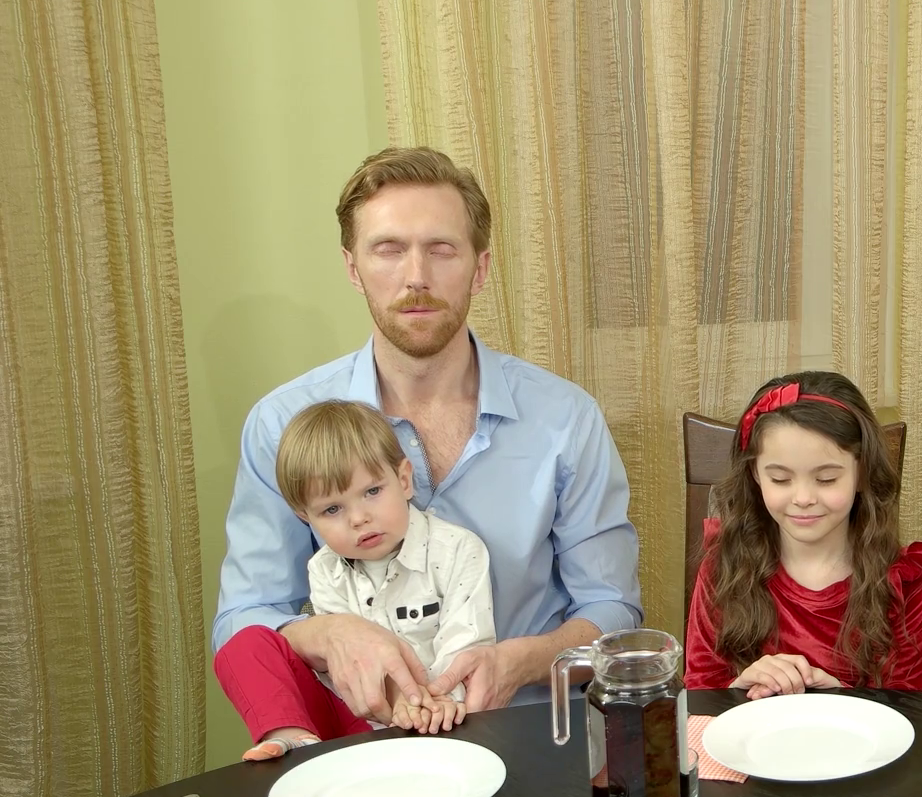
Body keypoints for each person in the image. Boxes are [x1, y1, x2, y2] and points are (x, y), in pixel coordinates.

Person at [213, 147, 642, 725]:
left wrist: (523, 661)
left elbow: (612, 609)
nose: (416, 277)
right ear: (352, 267)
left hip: (534, 737)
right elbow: (246, 618)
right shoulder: (280, 423)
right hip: (365, 745)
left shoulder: (566, 418)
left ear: (480, 268)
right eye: (388, 250)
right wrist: (330, 634)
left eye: (442, 250)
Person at [215, 400, 489, 759]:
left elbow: (466, 642)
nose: (359, 518)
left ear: (403, 480)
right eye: (332, 509)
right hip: (360, 716)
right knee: (243, 644)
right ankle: (296, 741)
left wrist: (431, 703)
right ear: (305, 518)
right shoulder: (324, 568)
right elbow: (345, 664)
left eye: (372, 492)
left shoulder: (456, 550)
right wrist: (395, 703)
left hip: (443, 716)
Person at [684, 372, 922, 695]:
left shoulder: (902, 586)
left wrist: (841, 698)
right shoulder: (724, 569)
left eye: (826, 479)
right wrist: (738, 687)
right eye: (780, 479)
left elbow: (914, 712)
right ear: (755, 474)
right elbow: (700, 695)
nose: (803, 498)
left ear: (861, 474)